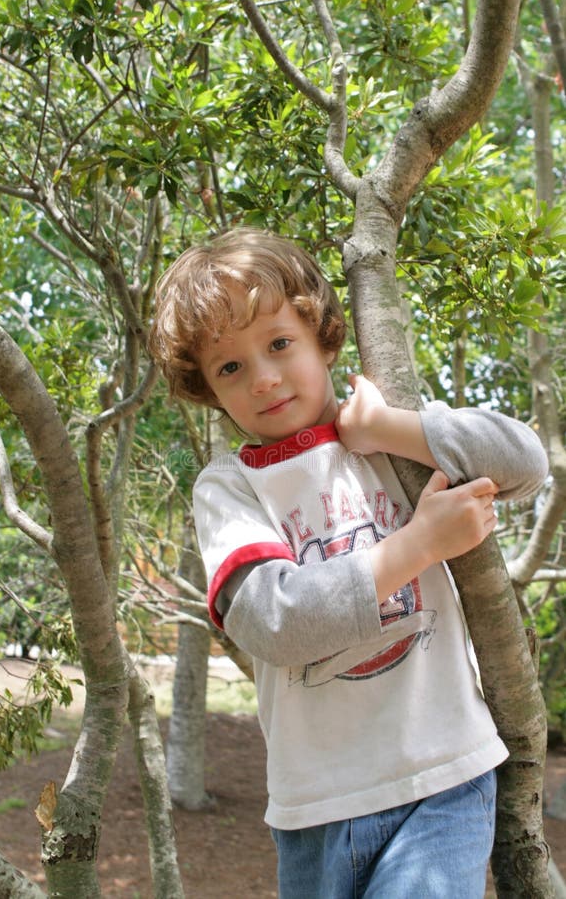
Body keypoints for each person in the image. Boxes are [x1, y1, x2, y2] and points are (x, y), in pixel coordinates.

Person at [150, 227, 548, 898]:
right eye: (230, 368)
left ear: (323, 335)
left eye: (279, 343)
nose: (265, 378)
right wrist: (418, 544)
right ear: (208, 390)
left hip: (441, 778)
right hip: (316, 806)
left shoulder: (389, 434)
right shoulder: (230, 487)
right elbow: (273, 622)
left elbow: (526, 464)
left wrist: (391, 428)